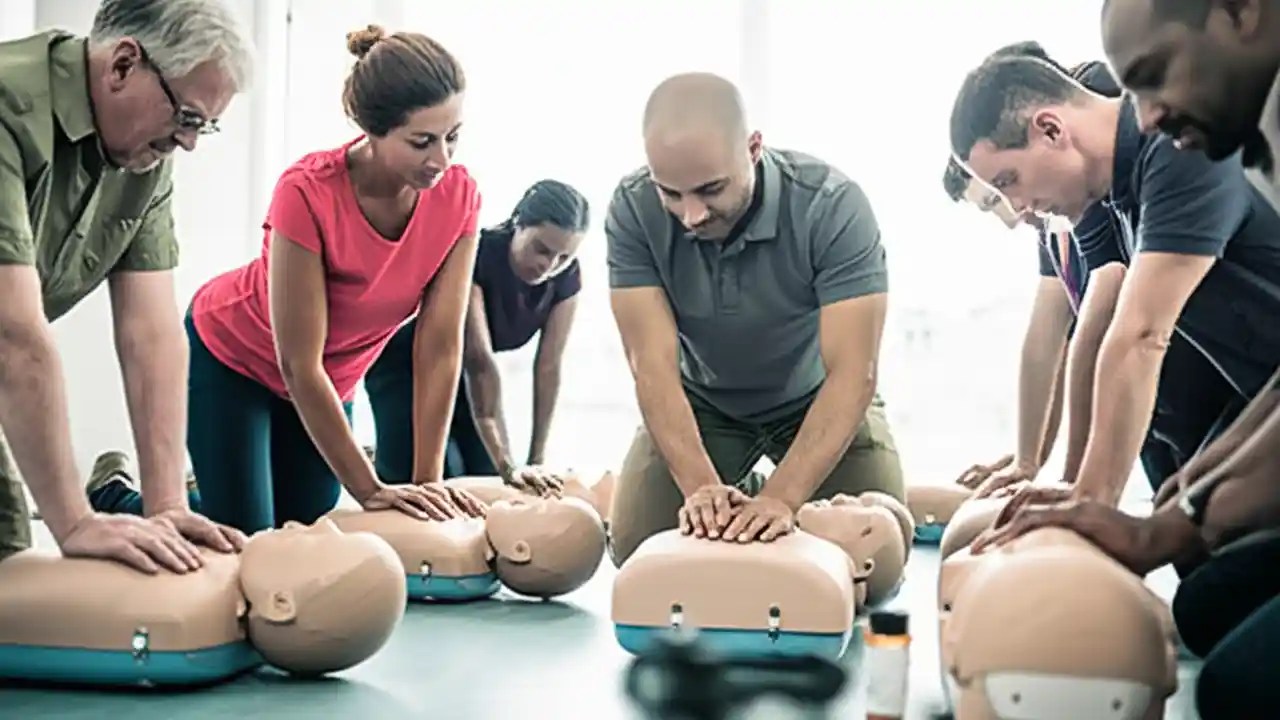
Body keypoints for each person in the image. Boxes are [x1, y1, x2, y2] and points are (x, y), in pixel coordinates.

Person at [88, 25, 486, 534]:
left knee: (305, 531)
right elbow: (298, 363)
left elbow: (439, 347)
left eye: (452, 136)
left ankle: (212, 487)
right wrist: (371, 491)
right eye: (421, 142)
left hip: (329, 381)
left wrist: (427, 482)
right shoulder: (307, 192)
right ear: (372, 129)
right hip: (234, 358)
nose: (442, 160)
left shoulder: (458, 197)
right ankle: (116, 496)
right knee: (244, 541)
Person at [948, 53, 1280, 513]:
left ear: (1051, 129)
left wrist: (1087, 494)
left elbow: (1141, 336)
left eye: (1011, 180)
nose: (1020, 206)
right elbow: (1086, 331)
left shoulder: (1176, 148)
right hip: (1261, 410)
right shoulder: (1119, 198)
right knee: (1188, 530)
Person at [606, 72, 903, 566]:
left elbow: (855, 372)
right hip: (703, 404)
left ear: (754, 148)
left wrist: (780, 501)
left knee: (874, 556)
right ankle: (732, 486)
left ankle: (762, 488)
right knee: (640, 552)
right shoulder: (631, 208)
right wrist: (702, 490)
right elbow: (650, 363)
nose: (691, 215)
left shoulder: (832, 205)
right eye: (671, 194)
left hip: (815, 400)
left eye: (710, 189)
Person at [0, 0, 252, 575]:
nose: (189, 143)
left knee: (10, 570)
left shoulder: (145, 157)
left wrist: (167, 504)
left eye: (203, 125)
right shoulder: (7, 106)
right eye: (188, 117)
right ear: (121, 65)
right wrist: (74, 521)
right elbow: (13, 333)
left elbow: (152, 334)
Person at [364, 179, 590, 496]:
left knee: (486, 480)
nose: (548, 265)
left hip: (461, 377)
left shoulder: (566, 277)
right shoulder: (477, 252)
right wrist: (508, 464)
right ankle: (382, 455)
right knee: (437, 476)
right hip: (408, 365)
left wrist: (535, 461)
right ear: (517, 224)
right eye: (541, 249)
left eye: (562, 257)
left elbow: (549, 366)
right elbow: (479, 360)